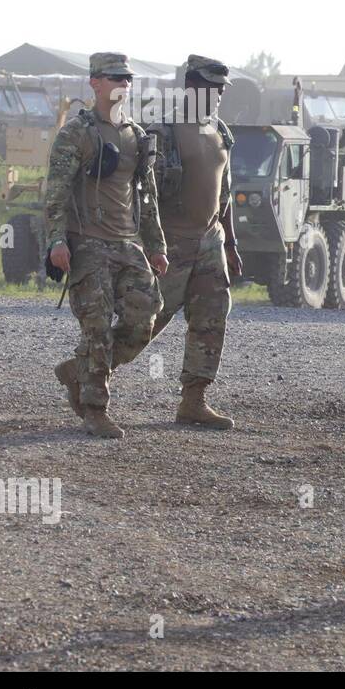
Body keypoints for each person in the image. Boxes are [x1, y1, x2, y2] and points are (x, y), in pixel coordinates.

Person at [46, 53, 167, 438]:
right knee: (96, 326)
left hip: (126, 243)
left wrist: (156, 246)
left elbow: (147, 198)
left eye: (127, 79)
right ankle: (95, 409)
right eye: (114, 78)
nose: (122, 85)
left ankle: (77, 369)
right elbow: (57, 192)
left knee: (144, 318)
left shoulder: (136, 135)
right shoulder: (77, 133)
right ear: (95, 83)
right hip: (88, 244)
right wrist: (56, 240)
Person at [147, 55, 241, 429]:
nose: (218, 94)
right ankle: (89, 375)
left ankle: (193, 400)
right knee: (146, 319)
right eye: (211, 86)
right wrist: (149, 244)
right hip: (172, 242)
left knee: (211, 316)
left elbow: (227, 193)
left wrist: (231, 244)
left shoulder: (220, 131)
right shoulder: (162, 132)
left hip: (210, 241)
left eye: (221, 88)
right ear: (191, 87)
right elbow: (145, 197)